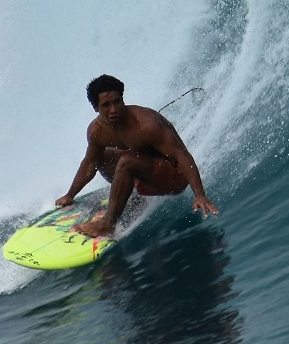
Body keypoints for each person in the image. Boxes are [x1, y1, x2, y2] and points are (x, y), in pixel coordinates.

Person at [59, 74, 219, 238]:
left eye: (117, 102)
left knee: (126, 162)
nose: (113, 110)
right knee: (102, 156)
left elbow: (181, 155)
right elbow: (90, 163)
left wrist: (199, 194)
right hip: (145, 177)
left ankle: (108, 225)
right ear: (95, 107)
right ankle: (132, 197)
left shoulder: (146, 124)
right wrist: (70, 195)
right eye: (106, 105)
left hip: (173, 178)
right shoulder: (96, 131)